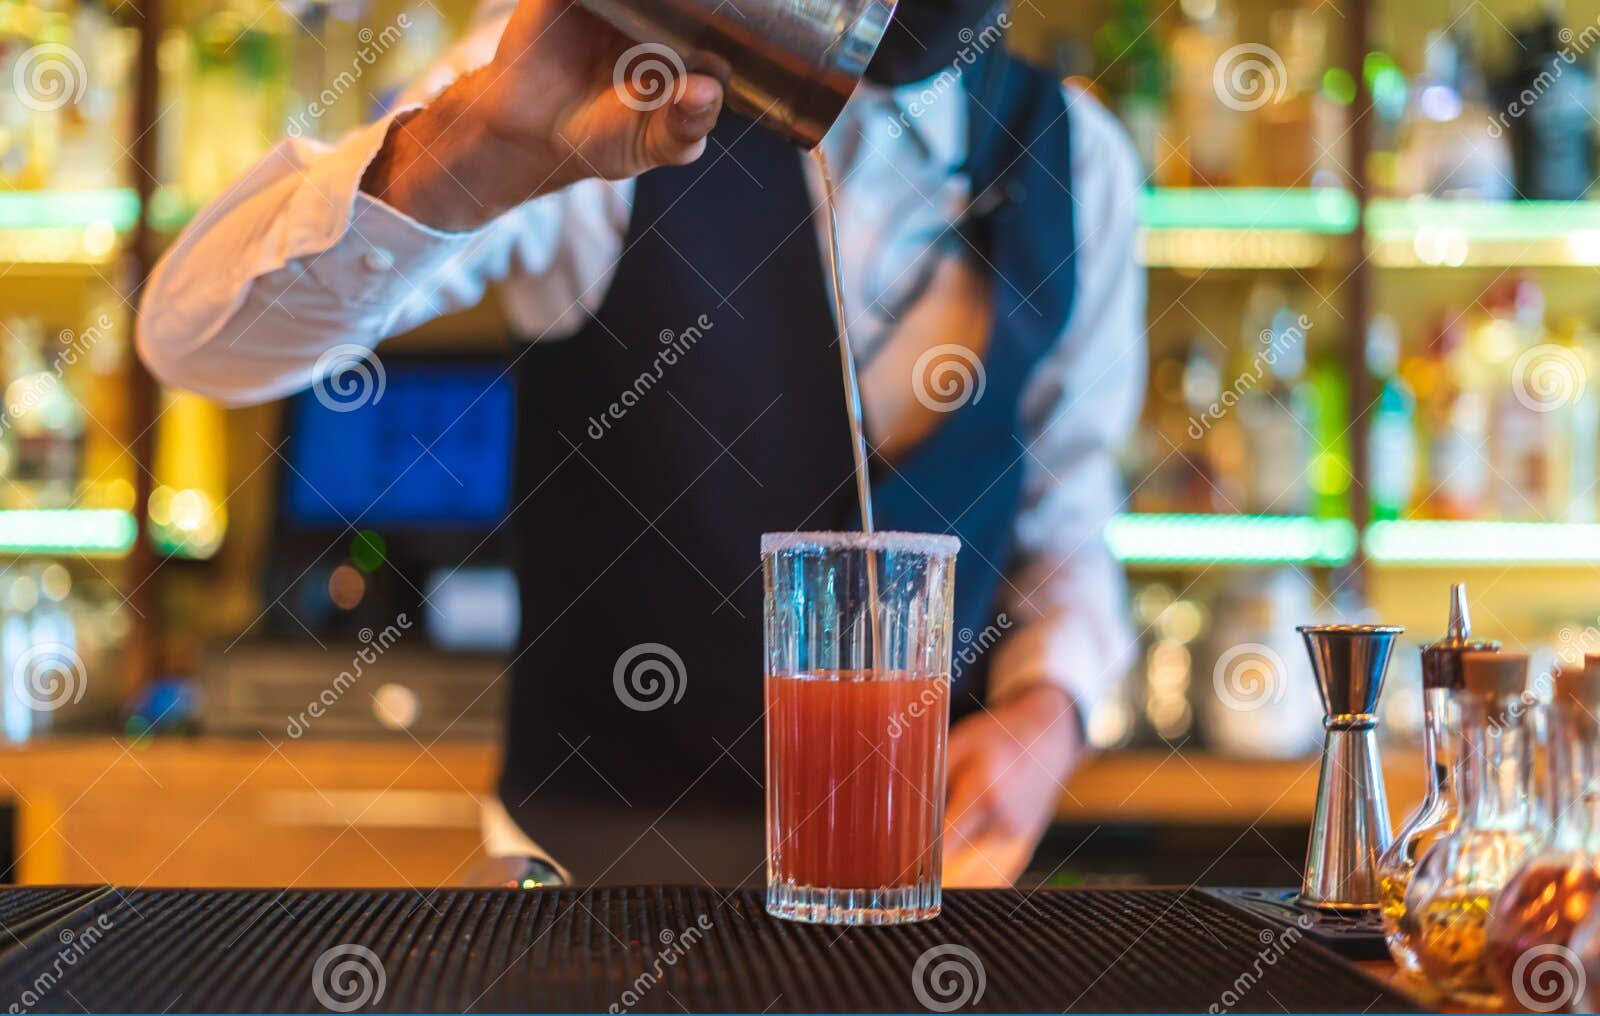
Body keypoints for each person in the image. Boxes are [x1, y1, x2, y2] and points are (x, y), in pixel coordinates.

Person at [136, 0, 1146, 888]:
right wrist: (475, 148)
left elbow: (1066, 518)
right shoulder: (607, 64)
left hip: (913, 888)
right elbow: (194, 341)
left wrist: (1049, 713)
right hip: (590, 884)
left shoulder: (1075, 153)